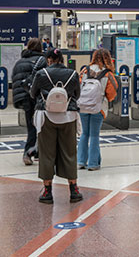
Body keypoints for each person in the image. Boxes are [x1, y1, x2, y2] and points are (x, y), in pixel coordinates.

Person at [28, 48, 82, 204]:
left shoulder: (41, 73)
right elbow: (76, 95)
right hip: (68, 116)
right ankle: (74, 190)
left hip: (46, 116)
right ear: (62, 59)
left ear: (49, 59)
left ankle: (47, 192)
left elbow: (33, 94)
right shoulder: (73, 74)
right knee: (70, 152)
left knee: (47, 153)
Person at [77, 48, 118, 172]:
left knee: (84, 133)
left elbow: (77, 87)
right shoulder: (108, 74)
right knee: (94, 135)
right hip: (98, 108)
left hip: (83, 106)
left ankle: (80, 161)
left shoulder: (84, 71)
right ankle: (93, 163)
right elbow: (112, 94)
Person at [12, 38, 48, 166]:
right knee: (42, 125)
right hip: (38, 97)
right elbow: (45, 79)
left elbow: (15, 81)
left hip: (25, 98)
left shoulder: (19, 62)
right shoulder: (42, 61)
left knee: (31, 126)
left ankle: (31, 152)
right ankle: (33, 152)